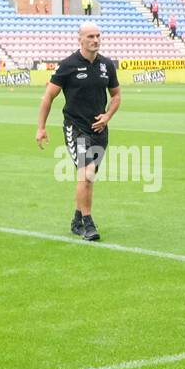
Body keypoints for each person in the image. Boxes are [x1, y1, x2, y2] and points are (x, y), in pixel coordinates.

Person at [35, 23, 120, 241]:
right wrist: (41, 128)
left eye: (98, 36)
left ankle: (76, 220)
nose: (96, 40)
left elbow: (116, 96)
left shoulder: (107, 65)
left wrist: (107, 116)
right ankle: (89, 224)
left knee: (88, 178)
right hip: (76, 128)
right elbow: (48, 97)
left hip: (100, 130)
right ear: (80, 39)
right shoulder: (67, 65)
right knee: (87, 173)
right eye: (91, 36)